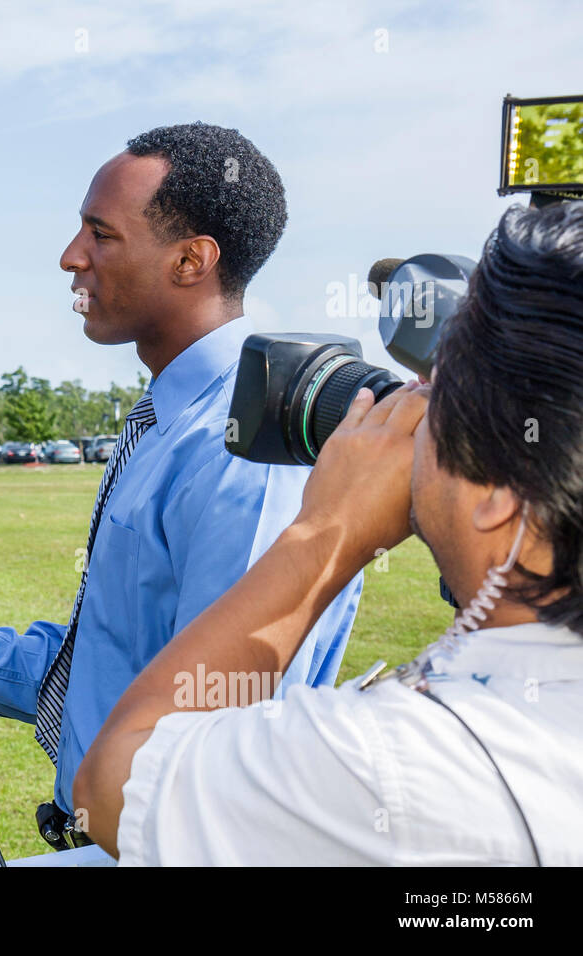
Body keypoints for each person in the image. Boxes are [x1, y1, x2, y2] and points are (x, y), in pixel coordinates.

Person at [0, 123, 362, 849]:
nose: (71, 257)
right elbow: (105, 672)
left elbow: (220, 735)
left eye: (101, 234)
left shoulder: (246, 442)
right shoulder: (171, 418)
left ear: (191, 260)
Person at [75, 200, 583, 865]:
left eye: (435, 396)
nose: (405, 411)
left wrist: (328, 530)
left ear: (496, 491)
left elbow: (116, 785)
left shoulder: (404, 762)